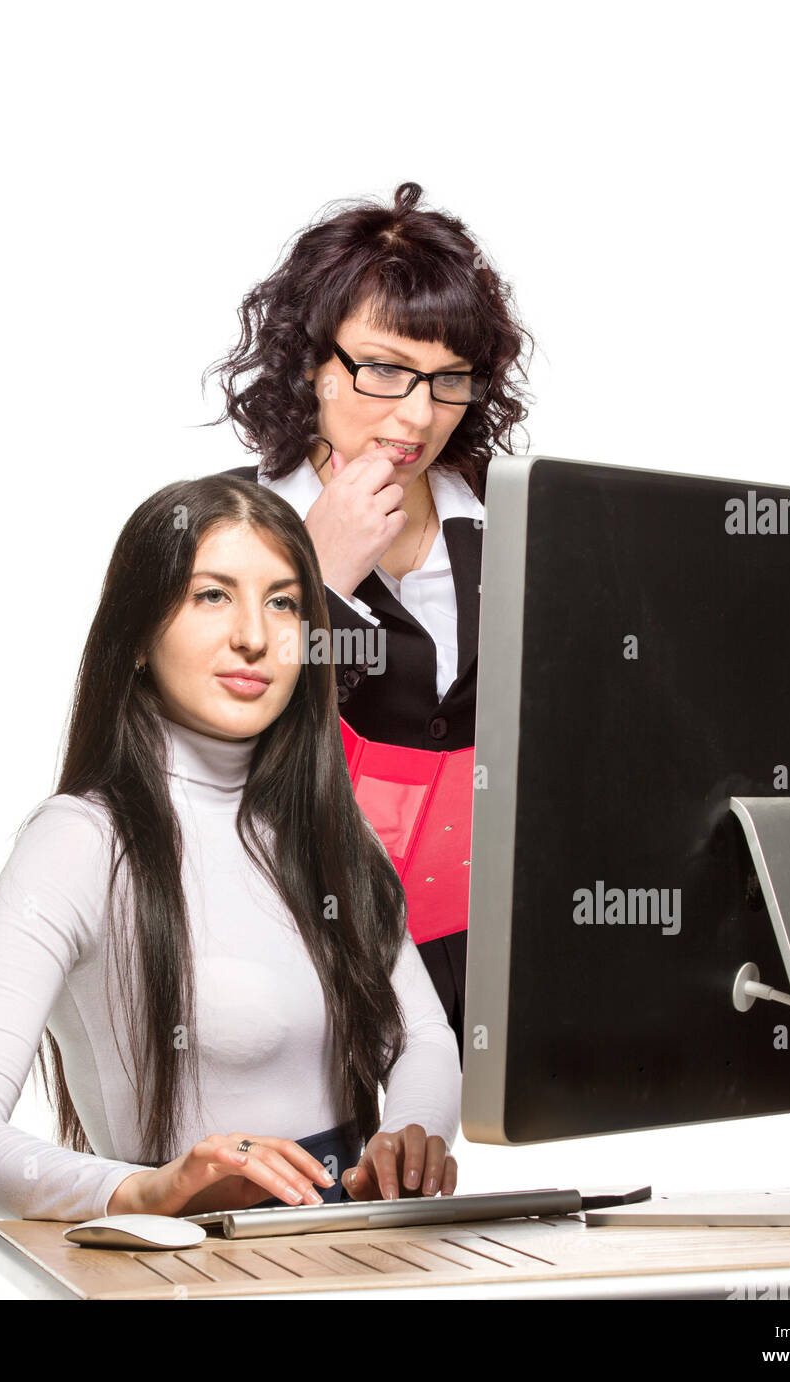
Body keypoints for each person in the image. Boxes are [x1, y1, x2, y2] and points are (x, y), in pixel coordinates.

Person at [0, 476, 461, 1223]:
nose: (254, 637)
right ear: (137, 633)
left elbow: (423, 1035)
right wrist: (140, 1191)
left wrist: (406, 1136)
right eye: (212, 596)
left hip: (352, 1259)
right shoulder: (81, 842)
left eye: (284, 602)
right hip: (188, 1273)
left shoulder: (333, 826)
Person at [205, 182, 534, 1058]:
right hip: (298, 958)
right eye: (384, 369)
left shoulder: (515, 524)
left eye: (449, 378)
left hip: (486, 964)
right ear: (312, 361)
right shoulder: (223, 531)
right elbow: (213, 754)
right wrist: (321, 574)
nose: (418, 415)